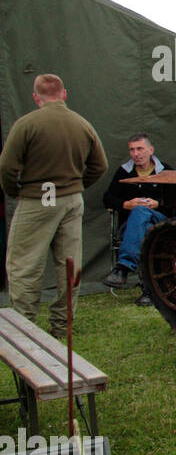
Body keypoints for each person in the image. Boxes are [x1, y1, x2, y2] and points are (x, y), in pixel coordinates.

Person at [0, 74, 108, 338]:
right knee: (69, 266)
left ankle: (25, 326)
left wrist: (15, 192)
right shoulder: (82, 124)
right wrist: (76, 185)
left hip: (37, 199)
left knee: (25, 264)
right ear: (64, 94)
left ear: (36, 97)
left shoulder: (27, 124)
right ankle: (62, 326)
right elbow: (100, 166)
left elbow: (7, 166)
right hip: (71, 201)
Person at [102, 133, 168, 305]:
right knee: (142, 225)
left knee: (142, 213)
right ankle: (149, 289)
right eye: (132, 150)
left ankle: (123, 268)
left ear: (150, 150)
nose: (135, 154)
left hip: (160, 222)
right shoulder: (123, 172)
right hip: (131, 227)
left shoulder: (166, 171)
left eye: (140, 149)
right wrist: (126, 204)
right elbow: (107, 198)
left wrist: (158, 204)